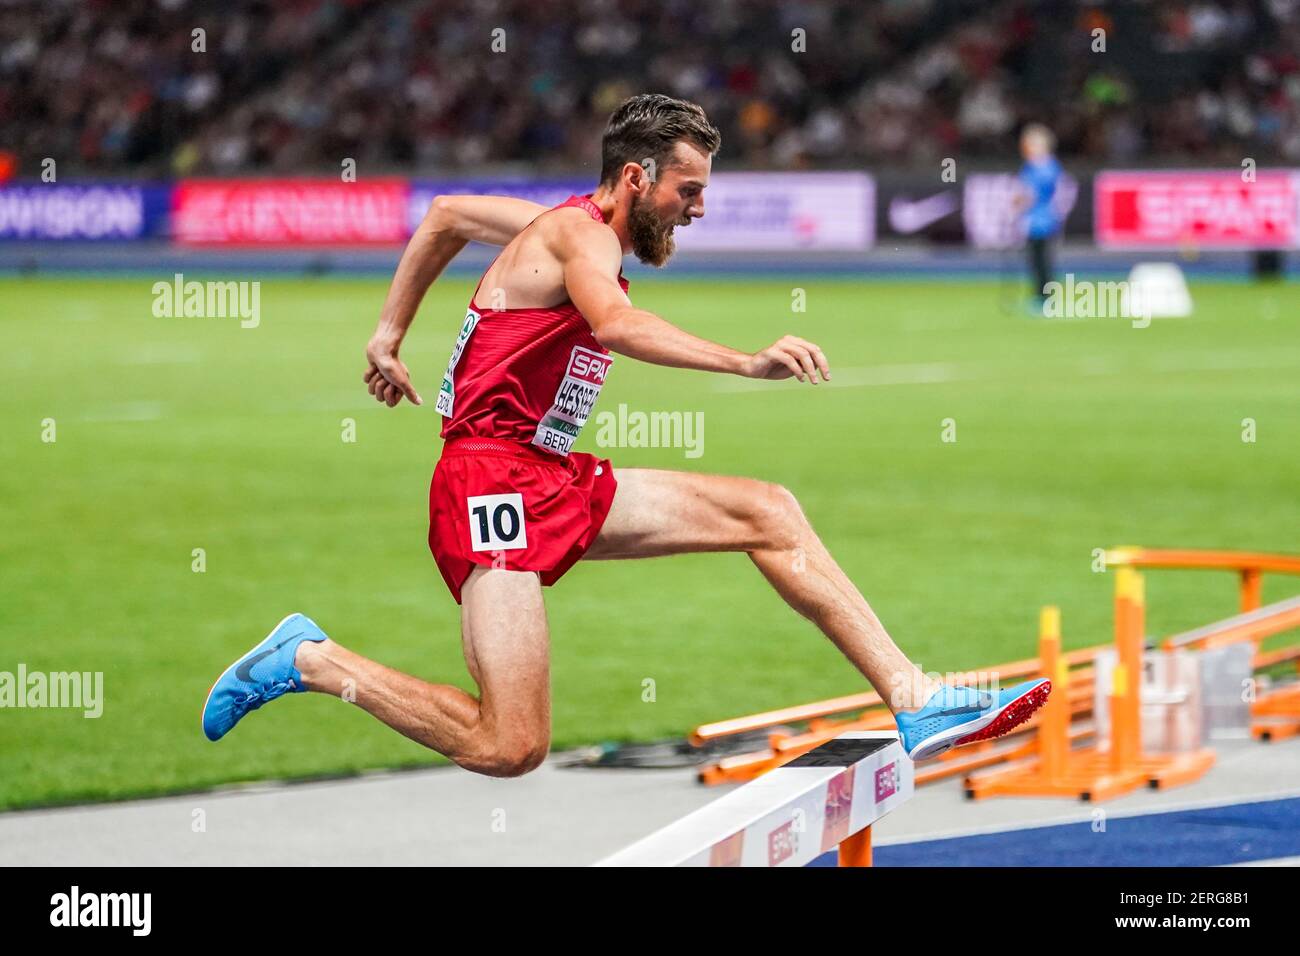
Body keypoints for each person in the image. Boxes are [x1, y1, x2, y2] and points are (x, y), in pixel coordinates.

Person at [202, 94, 1049, 772]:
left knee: (768, 509)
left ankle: (913, 698)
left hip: (545, 472)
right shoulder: (578, 240)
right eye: (691, 190)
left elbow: (448, 214)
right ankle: (310, 660)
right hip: (489, 487)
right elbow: (612, 327)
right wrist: (747, 364)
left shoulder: (561, 226)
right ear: (638, 178)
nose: (701, 209)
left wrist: (390, 333)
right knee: (510, 745)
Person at [1016, 123, 1064, 313]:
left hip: (1043, 220)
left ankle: (1046, 298)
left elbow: (1031, 194)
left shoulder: (1046, 167)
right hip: (1031, 220)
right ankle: (1039, 296)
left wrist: (1019, 201)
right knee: (1034, 261)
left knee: (1043, 261)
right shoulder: (1030, 166)